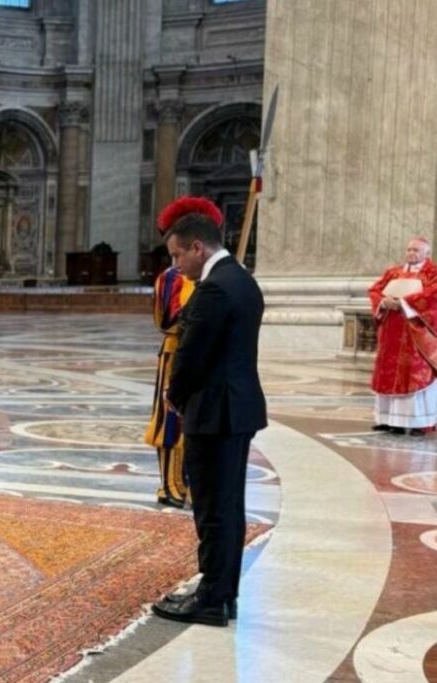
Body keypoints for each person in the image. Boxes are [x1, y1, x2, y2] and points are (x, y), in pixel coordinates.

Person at [150, 196, 267, 628]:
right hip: (236, 408)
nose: (176, 265)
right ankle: (222, 591)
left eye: (178, 255)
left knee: (213, 509)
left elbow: (192, 354)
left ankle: (212, 598)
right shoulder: (241, 278)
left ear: (198, 247)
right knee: (228, 506)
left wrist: (174, 395)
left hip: (216, 411)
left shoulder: (215, 288)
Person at [368, 237, 437, 435]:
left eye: (416, 250)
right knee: (389, 374)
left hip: (418, 335)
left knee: (416, 375)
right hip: (392, 332)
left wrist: (403, 303)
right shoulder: (393, 273)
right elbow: (375, 290)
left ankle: (418, 423)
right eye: (408, 249)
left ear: (427, 253)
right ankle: (388, 419)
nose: (411, 253)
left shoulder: (436, 274)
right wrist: (383, 301)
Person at [143, 202, 197, 508]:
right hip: (175, 353)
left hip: (201, 354)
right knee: (170, 420)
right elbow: (165, 320)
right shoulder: (171, 278)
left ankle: (190, 481)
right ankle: (169, 484)